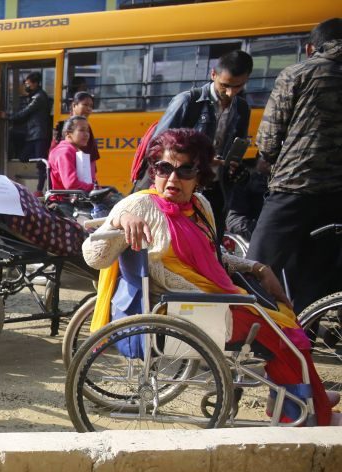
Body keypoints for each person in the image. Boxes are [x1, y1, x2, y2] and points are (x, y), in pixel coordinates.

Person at [83, 128, 338, 426]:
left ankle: (302, 393)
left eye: (185, 170)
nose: (173, 179)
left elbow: (214, 259)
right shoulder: (139, 204)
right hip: (187, 309)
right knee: (279, 334)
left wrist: (256, 267)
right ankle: (310, 414)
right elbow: (94, 256)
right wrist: (118, 219)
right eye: (164, 168)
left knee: (286, 314)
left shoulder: (201, 206)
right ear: (154, 170)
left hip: (216, 296)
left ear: (200, 174)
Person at [247, 18, 342, 314]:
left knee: (257, 264)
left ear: (311, 46)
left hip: (293, 187)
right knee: (316, 270)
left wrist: (270, 160)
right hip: (336, 194)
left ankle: (249, 334)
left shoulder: (298, 73)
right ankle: (305, 337)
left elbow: (270, 137)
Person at [133, 49, 254, 221]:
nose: (230, 92)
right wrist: (199, 160)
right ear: (213, 74)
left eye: (237, 86)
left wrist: (234, 165)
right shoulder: (187, 101)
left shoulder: (242, 108)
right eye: (225, 85)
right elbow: (156, 148)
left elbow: (237, 148)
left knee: (210, 244)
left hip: (216, 191)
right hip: (181, 189)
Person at [3, 72, 51, 192]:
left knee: (40, 163)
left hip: (39, 134)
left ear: (35, 84)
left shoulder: (39, 97)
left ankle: (41, 188)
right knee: (23, 157)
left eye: (28, 84)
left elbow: (26, 112)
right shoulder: (35, 96)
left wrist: (8, 116)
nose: (26, 86)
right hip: (33, 134)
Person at [48, 116, 96, 193]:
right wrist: (95, 188)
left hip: (80, 198)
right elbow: (71, 185)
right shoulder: (64, 152)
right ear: (68, 134)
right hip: (66, 200)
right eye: (82, 130)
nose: (86, 134)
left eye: (87, 131)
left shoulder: (75, 151)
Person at [51, 92, 100, 164]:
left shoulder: (87, 126)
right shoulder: (62, 126)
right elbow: (54, 152)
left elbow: (91, 157)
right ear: (74, 105)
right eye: (85, 105)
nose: (89, 109)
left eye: (91, 106)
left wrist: (91, 174)